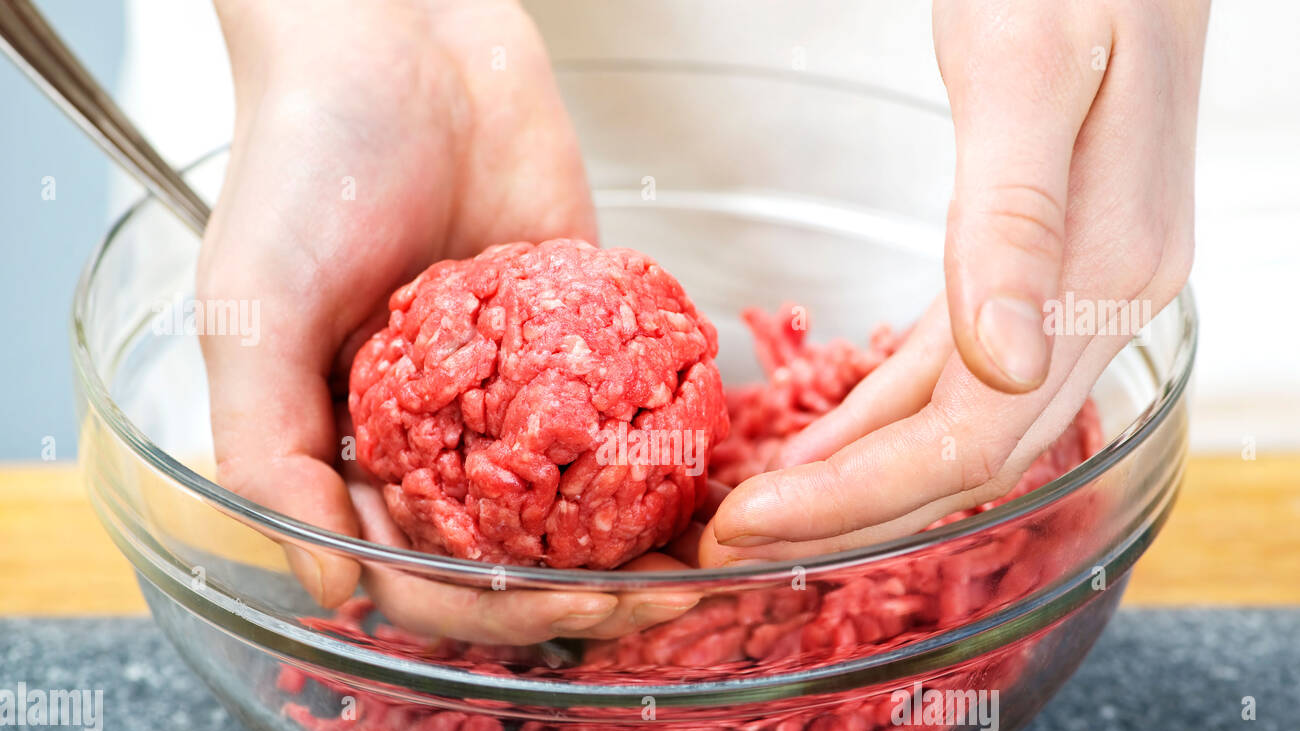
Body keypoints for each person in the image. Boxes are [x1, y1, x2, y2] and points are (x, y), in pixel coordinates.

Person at [197, 0, 1209, 643]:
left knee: (1054, 468)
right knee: (320, 590)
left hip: (1101, 123)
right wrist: (373, 22)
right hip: (414, 94)